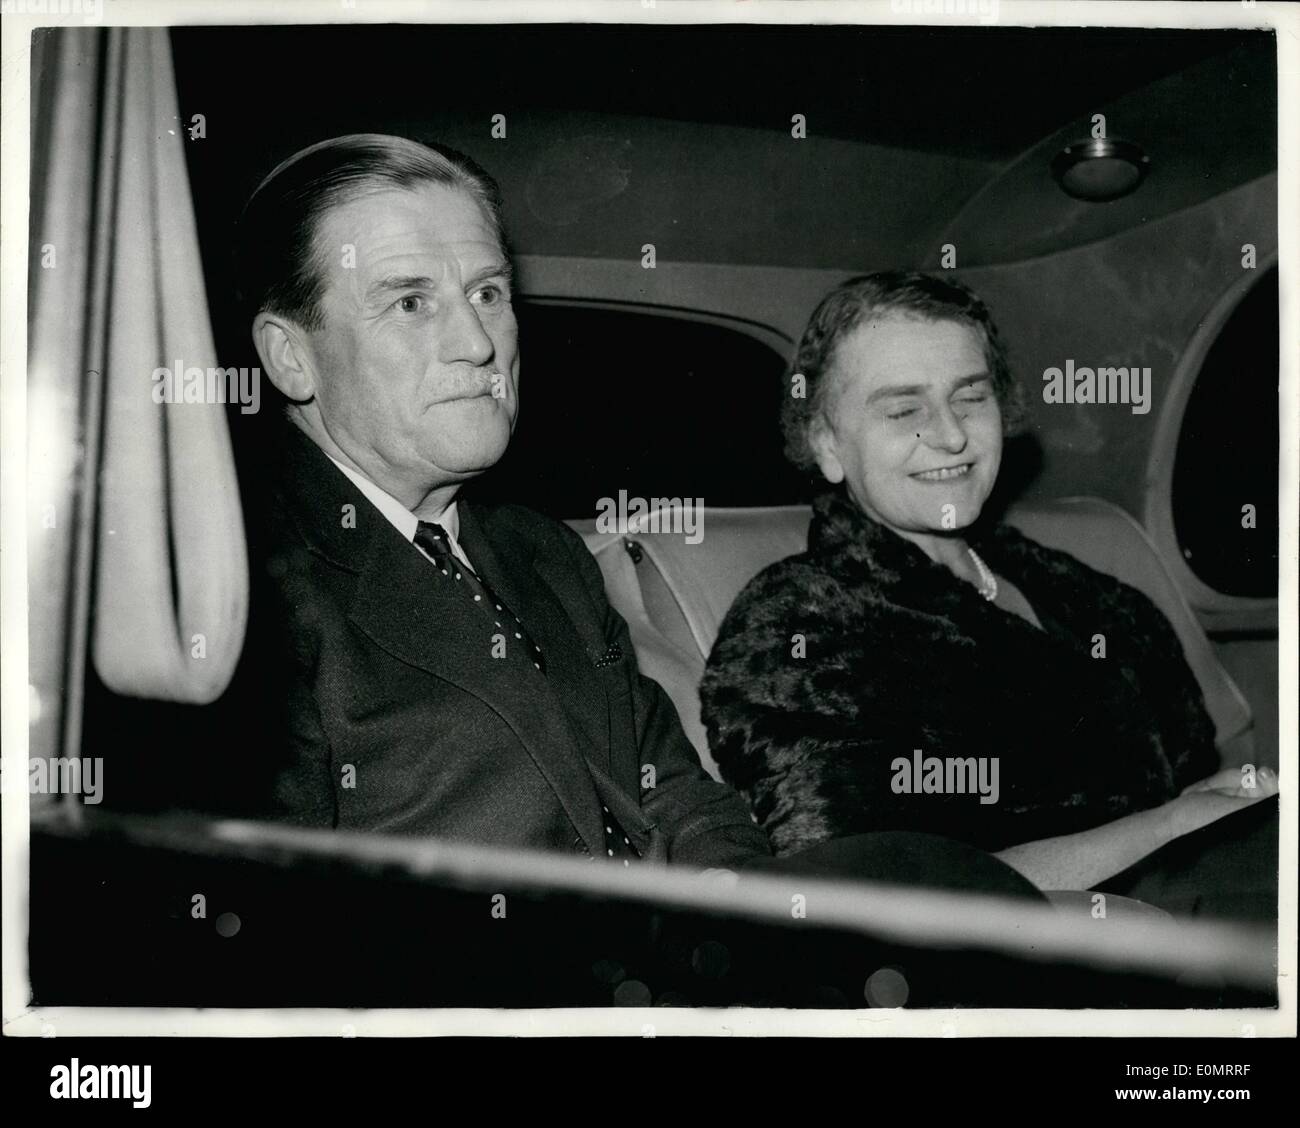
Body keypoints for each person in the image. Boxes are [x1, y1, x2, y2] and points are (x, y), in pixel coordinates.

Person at [235, 133, 772, 869]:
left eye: (487, 293)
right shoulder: (248, 596)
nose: (478, 344)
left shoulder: (540, 551)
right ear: (292, 356)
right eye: (412, 301)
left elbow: (674, 790)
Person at [699, 272, 1278, 899]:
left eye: (970, 398)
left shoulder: (1078, 590)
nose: (950, 435)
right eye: (904, 410)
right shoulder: (798, 631)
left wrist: (1207, 804)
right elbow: (884, 888)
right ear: (827, 444)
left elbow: (1182, 767)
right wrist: (1168, 827)